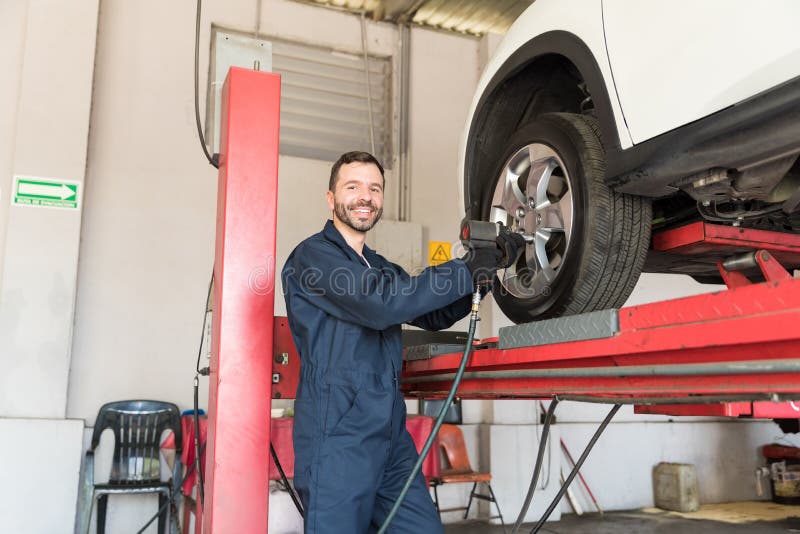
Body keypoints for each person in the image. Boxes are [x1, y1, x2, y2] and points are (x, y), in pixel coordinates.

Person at [281, 151, 524, 533]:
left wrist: (484, 273)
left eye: (374, 188)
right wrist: (462, 270)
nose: (366, 196)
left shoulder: (376, 265)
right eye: (353, 186)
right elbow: (382, 304)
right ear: (331, 198)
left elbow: (430, 312)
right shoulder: (314, 257)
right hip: (338, 435)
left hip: (390, 435)